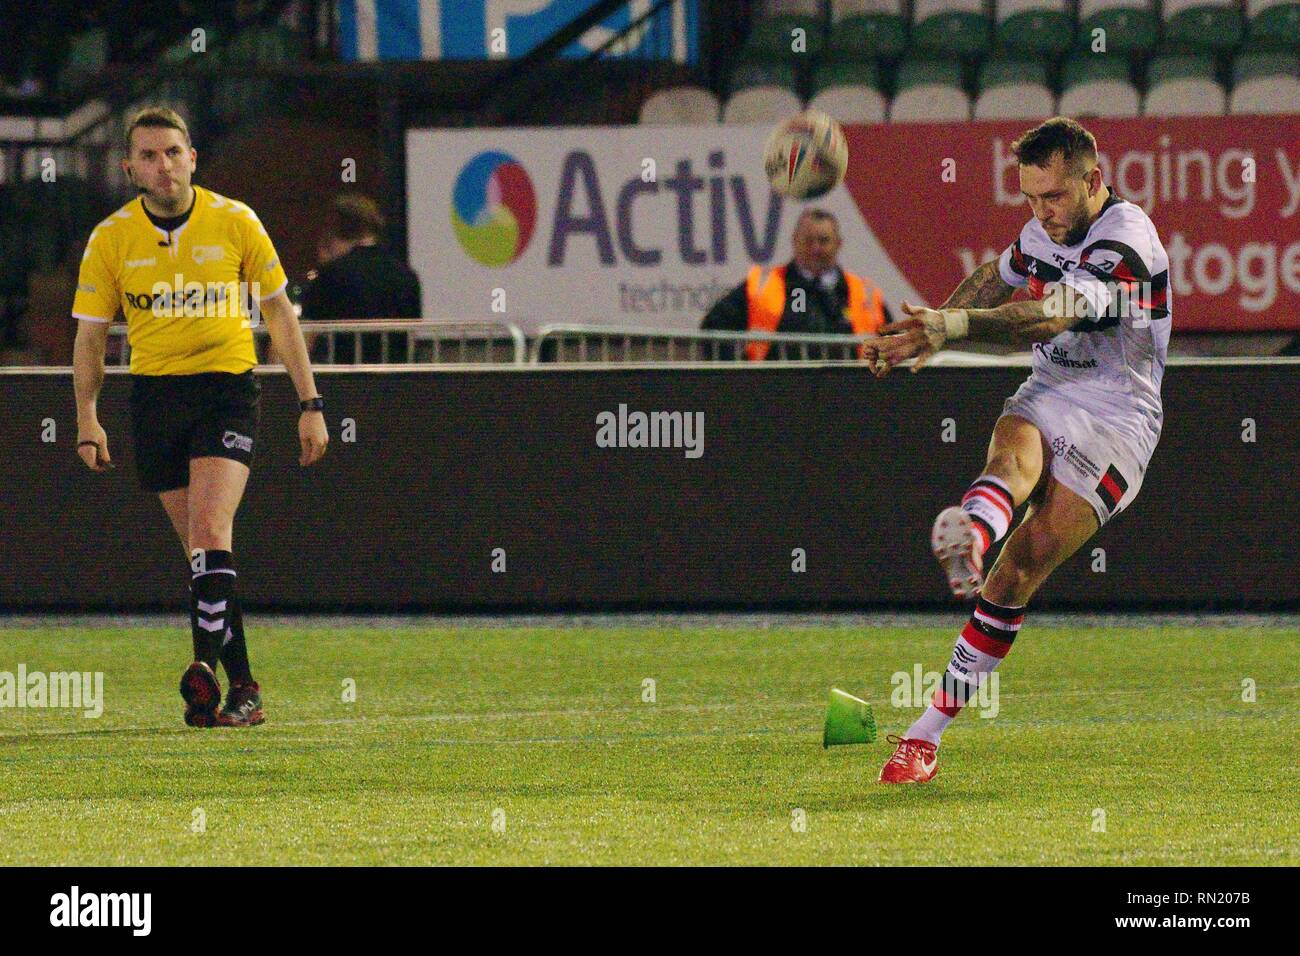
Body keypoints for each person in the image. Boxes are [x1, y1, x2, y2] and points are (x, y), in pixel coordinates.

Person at [865, 117, 1171, 783]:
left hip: (1119, 421)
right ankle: (971, 536)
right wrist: (932, 329)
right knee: (1011, 462)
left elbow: (1053, 312)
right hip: (1053, 386)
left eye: (1052, 196)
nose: (1040, 212)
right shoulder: (1043, 228)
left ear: (1093, 180)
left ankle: (928, 729)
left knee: (1018, 571)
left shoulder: (1126, 241)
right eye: (1029, 198)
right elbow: (996, 276)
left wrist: (953, 325)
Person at [71, 106, 329, 728]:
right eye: (150, 156)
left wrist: (310, 402)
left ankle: (203, 670)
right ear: (131, 168)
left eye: (174, 152)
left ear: (193, 156)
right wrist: (87, 415)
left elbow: (281, 314)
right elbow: (89, 337)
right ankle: (243, 689)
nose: (164, 166)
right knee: (203, 555)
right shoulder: (111, 238)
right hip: (155, 397)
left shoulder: (236, 221)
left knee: (212, 530)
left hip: (225, 390)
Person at [701, 208, 890, 360]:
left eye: (824, 241)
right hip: (776, 398)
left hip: (850, 398)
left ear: (838, 244)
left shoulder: (863, 292)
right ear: (795, 242)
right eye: (808, 241)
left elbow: (894, 343)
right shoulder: (763, 285)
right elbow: (713, 328)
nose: (816, 248)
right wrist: (738, 379)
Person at [299, 193, 421, 364]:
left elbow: (303, 338)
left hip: (347, 381)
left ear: (338, 230)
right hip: (398, 380)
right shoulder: (406, 275)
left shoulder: (331, 275)